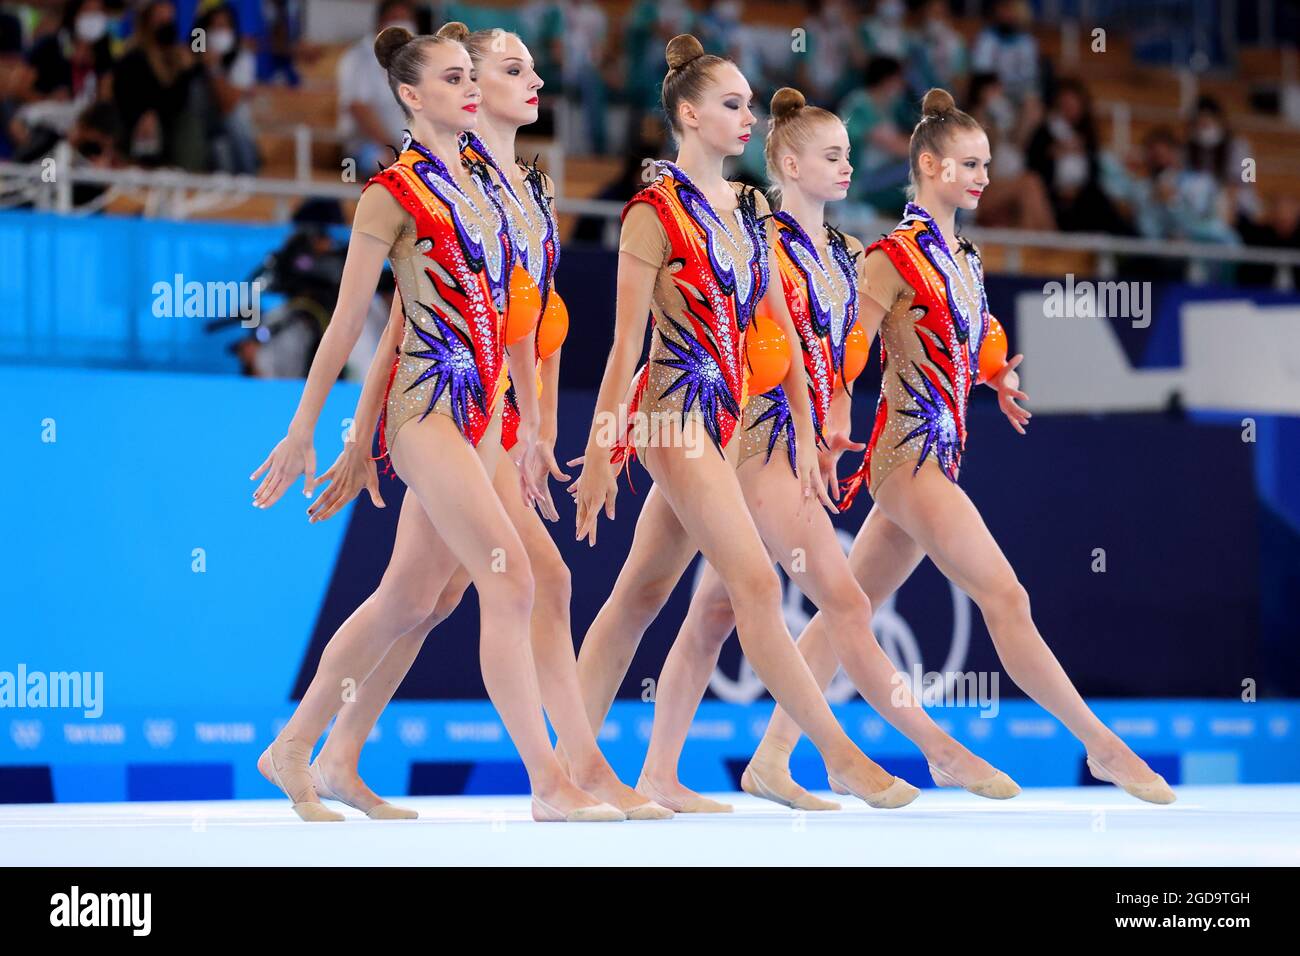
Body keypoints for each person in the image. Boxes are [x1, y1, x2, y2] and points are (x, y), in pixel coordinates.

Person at [249, 22, 623, 823]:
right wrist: (315, 428)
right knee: (512, 577)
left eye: (469, 77)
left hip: (486, 418)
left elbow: (515, 319)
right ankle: (551, 783)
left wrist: (531, 433)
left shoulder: (493, 192)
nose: (469, 90)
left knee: (412, 599)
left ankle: (306, 750)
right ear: (412, 97)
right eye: (454, 79)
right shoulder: (391, 193)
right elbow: (354, 321)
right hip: (424, 414)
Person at [767, 88, 1176, 806]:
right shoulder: (890, 257)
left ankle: (772, 755)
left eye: (987, 162)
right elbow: (847, 351)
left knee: (847, 608)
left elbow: (956, 340)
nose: (985, 175)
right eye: (970, 163)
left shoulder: (966, 254)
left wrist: (992, 376)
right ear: (929, 165)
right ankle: (1101, 745)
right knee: (1005, 595)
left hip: (944, 447)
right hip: (906, 455)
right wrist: (831, 416)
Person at [632, 87, 1020, 812]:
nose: (849, 168)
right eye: (833, 156)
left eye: (848, 155)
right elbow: (713, 323)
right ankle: (935, 750)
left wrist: (843, 412)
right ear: (786, 162)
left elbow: (842, 355)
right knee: (843, 598)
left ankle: (683, 771)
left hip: (799, 443)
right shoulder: (754, 236)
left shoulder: (848, 252)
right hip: (750, 433)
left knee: (715, 611)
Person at [568, 34, 920, 812]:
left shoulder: (752, 207)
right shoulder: (650, 213)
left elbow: (779, 330)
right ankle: (839, 756)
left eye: (749, 104)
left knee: (640, 594)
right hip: (670, 416)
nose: (746, 116)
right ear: (688, 115)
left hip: (729, 422)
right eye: (732, 104)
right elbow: (625, 346)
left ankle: (602, 774)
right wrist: (601, 452)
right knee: (756, 583)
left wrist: (809, 421)